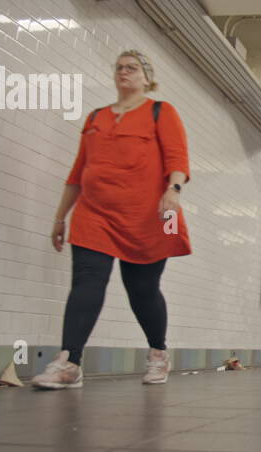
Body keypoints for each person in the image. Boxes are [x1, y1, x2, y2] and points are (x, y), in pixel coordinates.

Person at [31, 50, 191, 389]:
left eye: (131, 68)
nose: (123, 72)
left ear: (146, 77)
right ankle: (69, 362)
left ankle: (158, 353)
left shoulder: (161, 111)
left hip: (152, 214)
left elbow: (178, 157)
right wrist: (60, 217)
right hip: (94, 214)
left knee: (143, 289)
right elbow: (78, 171)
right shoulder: (96, 117)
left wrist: (173, 191)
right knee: (86, 283)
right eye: (118, 68)